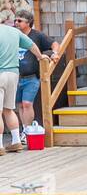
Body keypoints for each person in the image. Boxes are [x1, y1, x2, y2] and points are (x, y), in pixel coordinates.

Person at [13, 10, 58, 142]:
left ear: (28, 23)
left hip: (32, 77)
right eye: (15, 20)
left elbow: (54, 44)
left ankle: (27, 131)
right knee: (20, 105)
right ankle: (24, 130)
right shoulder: (13, 34)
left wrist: (54, 53)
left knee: (27, 104)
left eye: (19, 21)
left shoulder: (37, 36)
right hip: (16, 76)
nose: (16, 23)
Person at [0, 21, 43, 155]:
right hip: (14, 74)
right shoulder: (14, 31)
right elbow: (32, 45)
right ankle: (16, 141)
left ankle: (0, 145)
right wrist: (40, 57)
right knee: (8, 109)